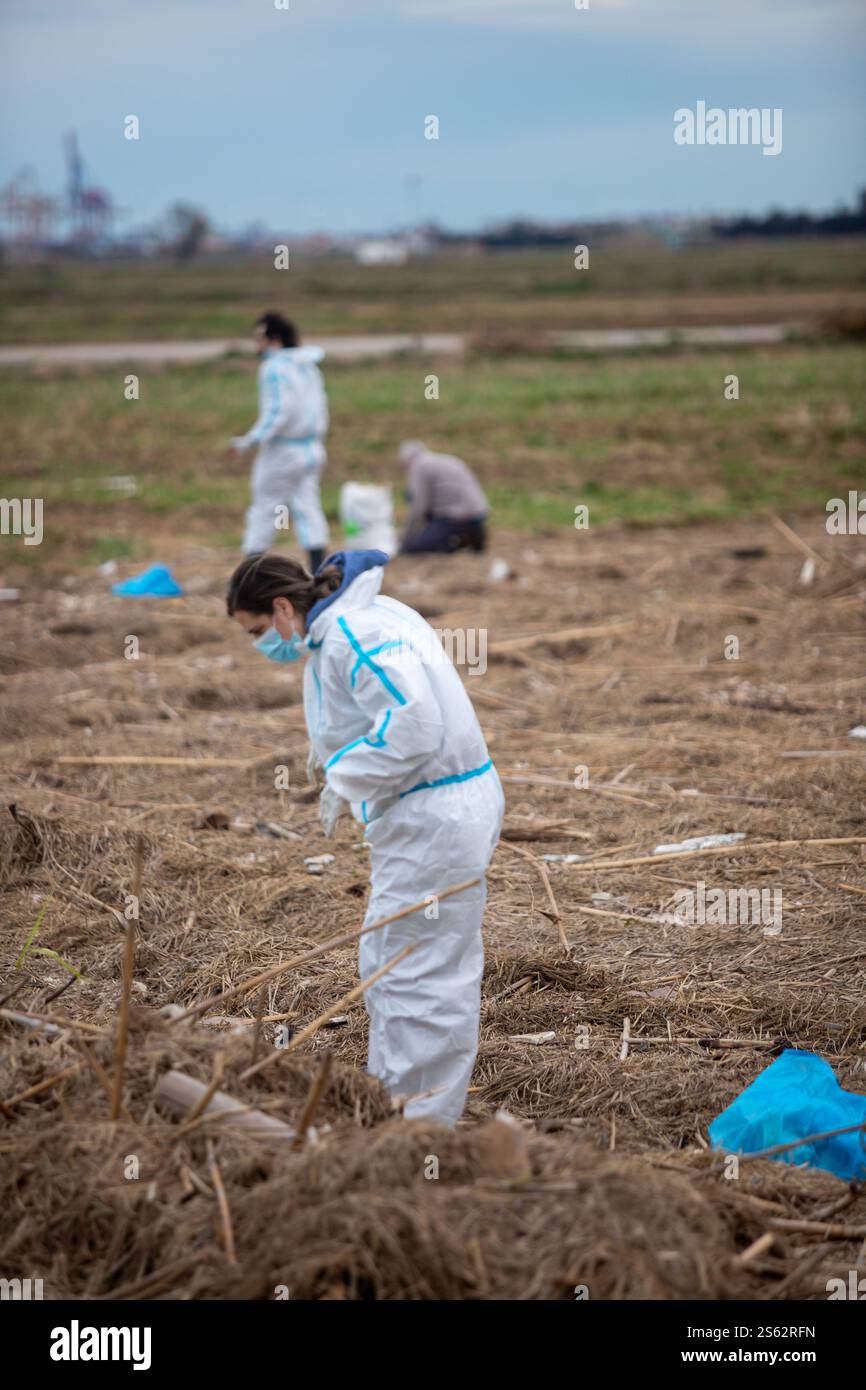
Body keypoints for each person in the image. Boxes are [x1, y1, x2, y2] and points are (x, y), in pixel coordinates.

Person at [227, 548, 505, 1126]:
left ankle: (417, 1129)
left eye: (259, 629)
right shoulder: (365, 615)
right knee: (390, 960)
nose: (263, 644)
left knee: (416, 973)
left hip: (434, 816)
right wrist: (333, 748)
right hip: (434, 809)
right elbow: (375, 707)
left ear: (282, 606)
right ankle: (394, 1105)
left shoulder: (352, 631)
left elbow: (415, 724)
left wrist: (345, 777)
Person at [230, 312, 330, 572]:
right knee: (309, 508)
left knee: (265, 508)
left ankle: (249, 573)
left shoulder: (273, 368)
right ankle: (319, 574)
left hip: (284, 449)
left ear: (274, 339)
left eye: (259, 339)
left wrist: (249, 440)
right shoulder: (307, 364)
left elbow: (279, 411)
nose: (257, 346)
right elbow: (320, 405)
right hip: (312, 448)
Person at [398, 440, 489, 554]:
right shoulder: (446, 459)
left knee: (412, 547)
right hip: (477, 514)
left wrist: (405, 537)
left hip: (456, 517)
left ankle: (451, 544)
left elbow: (419, 505)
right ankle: (471, 537)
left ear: (407, 459)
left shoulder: (419, 466)